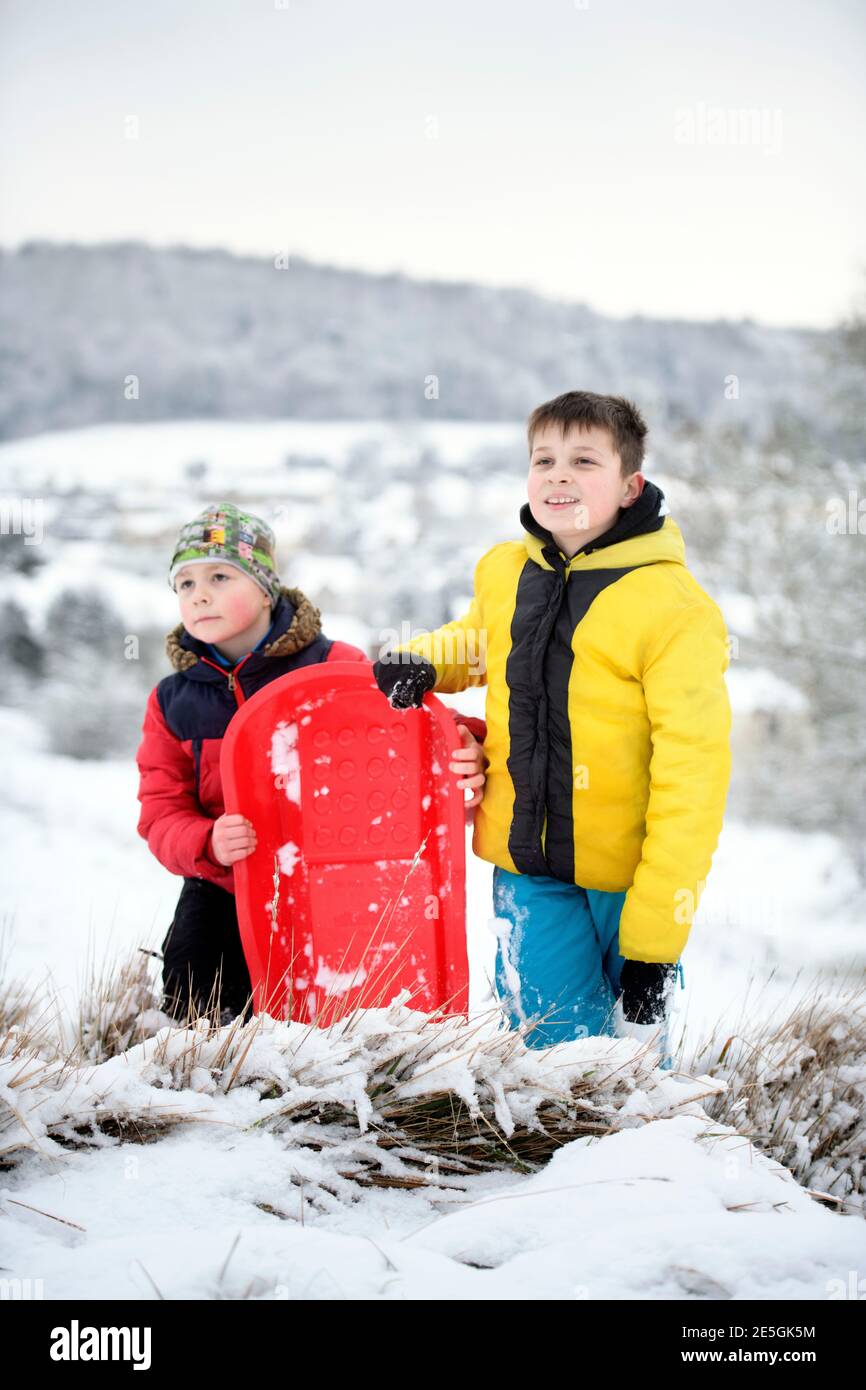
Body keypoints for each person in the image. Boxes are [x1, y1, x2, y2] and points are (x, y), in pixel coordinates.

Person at [373, 391, 732, 1070]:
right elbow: (479, 641)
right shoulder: (507, 571)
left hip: (629, 882)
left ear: (630, 487)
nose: (559, 475)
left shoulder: (673, 608)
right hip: (527, 871)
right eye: (544, 460)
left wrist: (654, 943)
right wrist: (422, 660)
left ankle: (642, 1140)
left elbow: (695, 775)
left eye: (584, 461)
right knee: (546, 1057)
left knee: (631, 1073)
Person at [136, 501, 487, 1025]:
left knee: (334, 1011)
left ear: (265, 588)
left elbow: (407, 723)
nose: (199, 594)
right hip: (225, 882)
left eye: (219, 576)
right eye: (184, 583)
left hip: (328, 874)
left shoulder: (331, 665)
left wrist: (465, 739)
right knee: (195, 1002)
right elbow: (160, 810)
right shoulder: (172, 702)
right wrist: (206, 841)